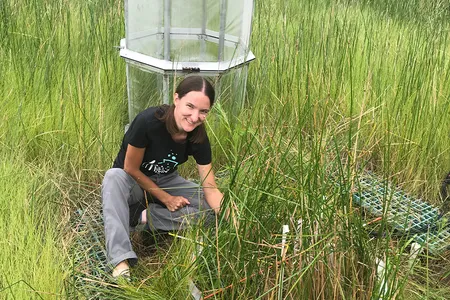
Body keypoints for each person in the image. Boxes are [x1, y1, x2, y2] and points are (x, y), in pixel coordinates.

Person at [102, 76, 224, 279]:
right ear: (176, 99)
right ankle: (120, 260)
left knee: (213, 213)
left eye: (203, 112)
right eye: (190, 106)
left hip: (167, 179)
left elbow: (210, 187)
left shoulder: (198, 137)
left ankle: (144, 217)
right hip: (132, 182)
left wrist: (234, 217)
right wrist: (167, 199)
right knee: (112, 176)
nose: (195, 117)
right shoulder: (148, 122)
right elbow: (130, 168)